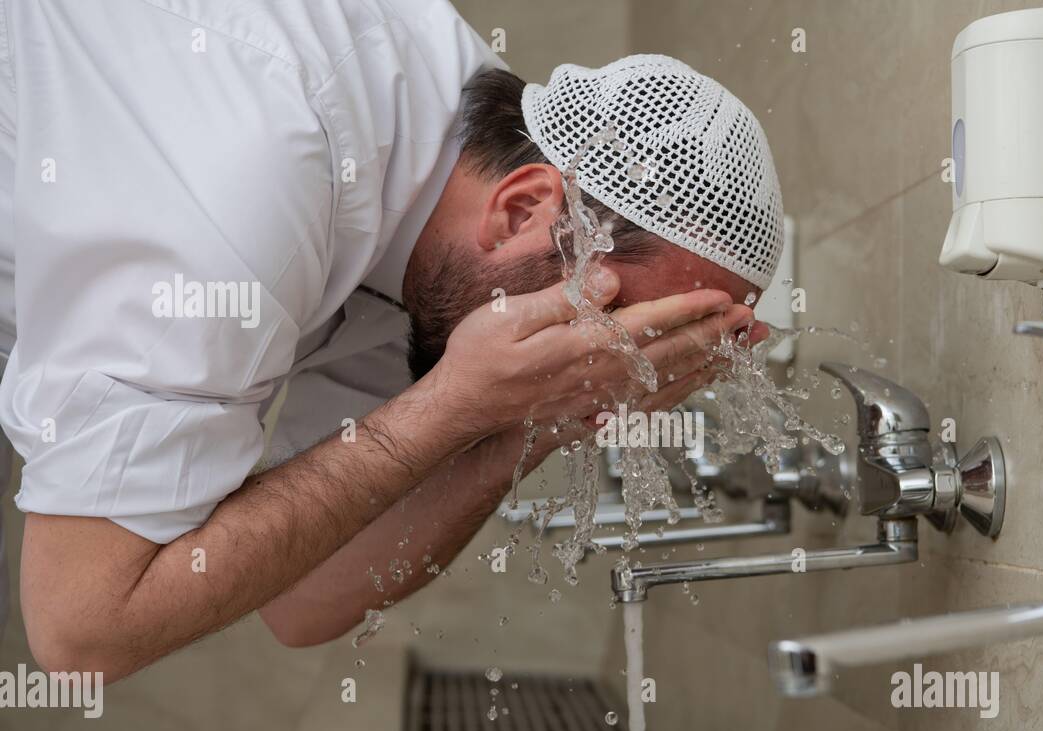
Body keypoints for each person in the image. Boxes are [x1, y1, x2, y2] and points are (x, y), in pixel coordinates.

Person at [0, 0, 784, 682]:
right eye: (610, 327)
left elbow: (302, 605)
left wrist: (534, 418)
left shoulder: (452, 222)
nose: (609, 365)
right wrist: (450, 407)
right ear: (524, 211)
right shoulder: (253, 187)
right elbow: (83, 630)